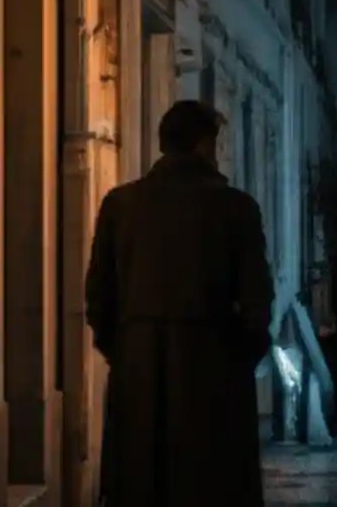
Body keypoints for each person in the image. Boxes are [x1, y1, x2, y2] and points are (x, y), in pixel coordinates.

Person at [87, 100, 274, 506]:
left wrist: (122, 347)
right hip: (213, 363)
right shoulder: (235, 207)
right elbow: (257, 297)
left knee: (140, 480)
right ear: (205, 145)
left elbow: (99, 292)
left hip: (138, 364)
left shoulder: (121, 204)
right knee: (211, 484)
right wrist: (242, 353)